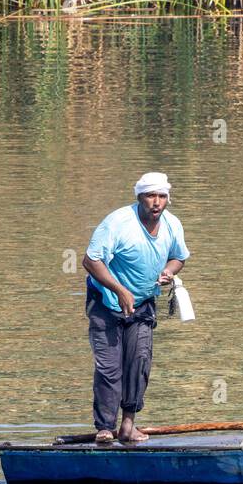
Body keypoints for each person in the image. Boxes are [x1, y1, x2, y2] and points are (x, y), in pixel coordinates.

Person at [81, 172, 189, 443]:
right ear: (140, 197)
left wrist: (168, 271)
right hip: (106, 303)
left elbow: (178, 257)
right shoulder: (118, 223)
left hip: (142, 304)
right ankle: (105, 427)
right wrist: (120, 290)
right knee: (110, 367)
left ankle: (128, 425)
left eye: (162, 196)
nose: (156, 202)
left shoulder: (172, 225)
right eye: (151, 196)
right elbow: (91, 261)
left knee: (139, 363)